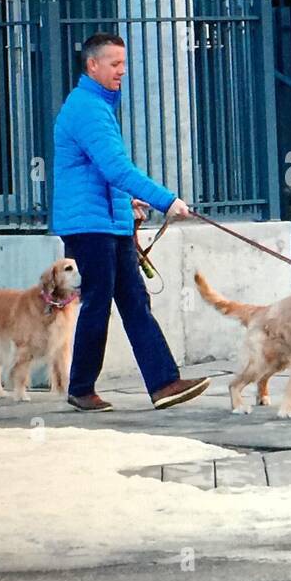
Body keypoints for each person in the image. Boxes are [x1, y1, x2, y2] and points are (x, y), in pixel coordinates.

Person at [52, 32, 210, 412]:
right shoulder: (87, 109)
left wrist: (128, 201)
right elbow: (116, 168)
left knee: (135, 303)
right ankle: (82, 387)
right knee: (98, 303)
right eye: (115, 64)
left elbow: (103, 174)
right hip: (91, 226)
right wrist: (166, 200)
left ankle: (163, 383)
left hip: (109, 221)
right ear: (93, 65)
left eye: (124, 63)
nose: (122, 71)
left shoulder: (98, 106)